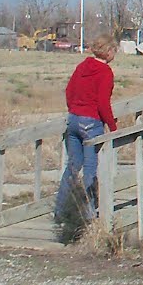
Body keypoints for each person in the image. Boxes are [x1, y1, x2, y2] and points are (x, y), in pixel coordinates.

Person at [58, 35, 119, 217]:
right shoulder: (105, 72)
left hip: (74, 119)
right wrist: (113, 126)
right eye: (114, 51)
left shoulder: (82, 66)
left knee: (73, 166)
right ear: (108, 52)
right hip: (91, 122)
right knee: (91, 168)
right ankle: (88, 213)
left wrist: (74, 109)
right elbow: (102, 103)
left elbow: (69, 91)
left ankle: (60, 210)